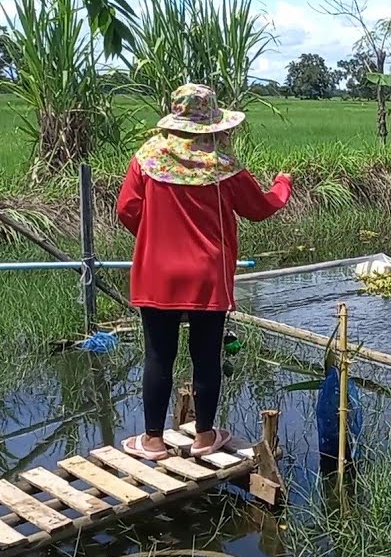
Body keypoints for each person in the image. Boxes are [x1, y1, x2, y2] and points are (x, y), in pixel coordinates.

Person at [116, 83, 292, 460]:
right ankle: (205, 436)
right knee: (206, 355)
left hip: (157, 273)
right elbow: (260, 208)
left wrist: (153, 239)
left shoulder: (147, 158)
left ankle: (152, 441)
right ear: (213, 123)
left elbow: (127, 209)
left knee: (158, 356)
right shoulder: (222, 165)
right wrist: (283, 184)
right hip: (207, 276)